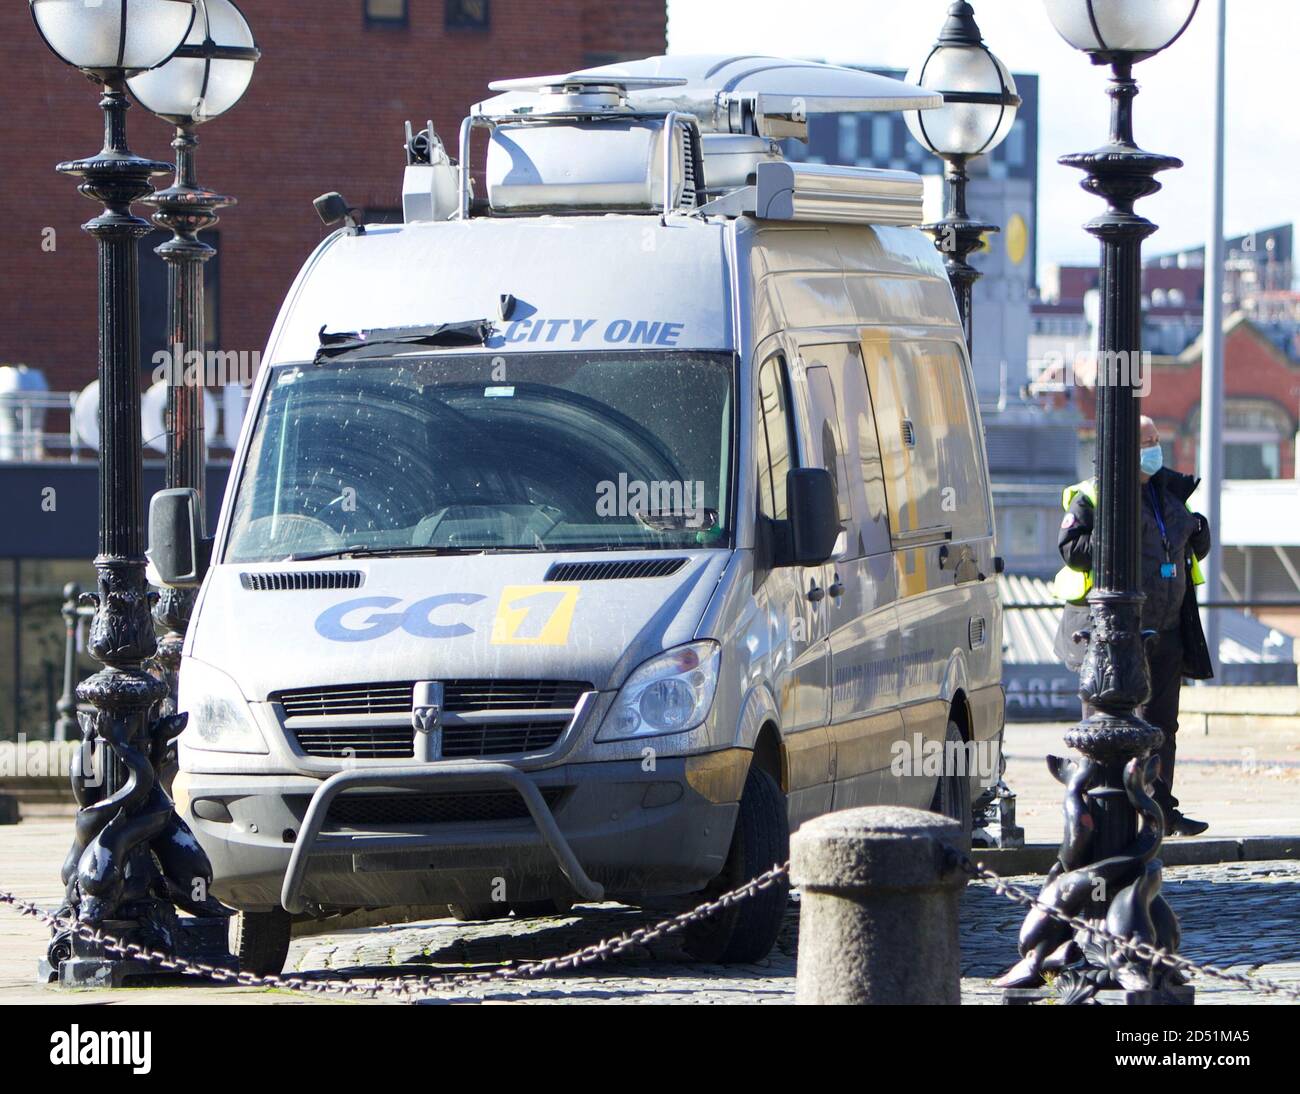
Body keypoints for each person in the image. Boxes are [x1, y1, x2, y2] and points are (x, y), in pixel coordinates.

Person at [1052, 416, 1213, 836]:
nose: (1155, 448)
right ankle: (1100, 815)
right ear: (1122, 447)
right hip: (1106, 635)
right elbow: (1073, 551)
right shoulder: (1094, 494)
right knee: (1102, 730)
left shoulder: (1169, 491)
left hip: (1167, 627)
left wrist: (1200, 532)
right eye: (1146, 441)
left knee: (1161, 727)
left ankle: (1158, 812)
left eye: (1157, 440)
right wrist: (1119, 533)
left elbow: (1193, 543)